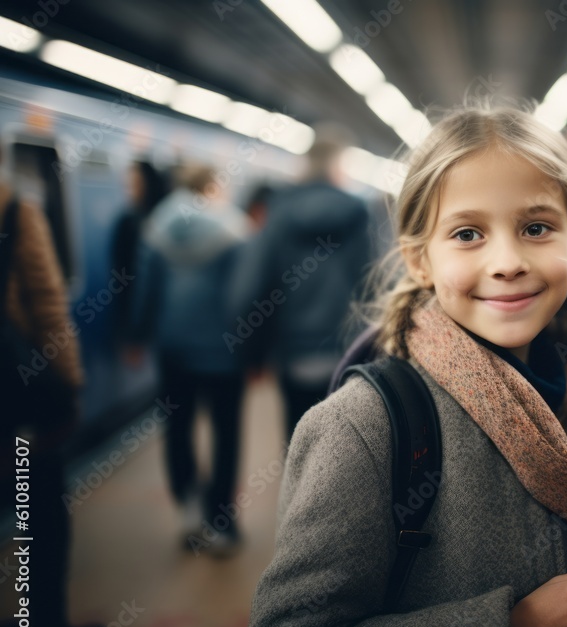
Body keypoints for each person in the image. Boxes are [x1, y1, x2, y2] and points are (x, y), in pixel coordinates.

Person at [243, 106, 567, 627]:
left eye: (536, 228)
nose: (507, 261)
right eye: (467, 233)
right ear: (419, 260)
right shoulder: (364, 427)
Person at [0, 173, 102, 627]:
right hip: (17, 406)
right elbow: (47, 305)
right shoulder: (14, 210)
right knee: (40, 518)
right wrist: (69, 388)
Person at [131, 164, 251, 557]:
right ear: (212, 186)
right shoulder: (232, 227)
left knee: (177, 426)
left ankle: (188, 506)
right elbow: (243, 293)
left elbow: (144, 288)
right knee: (225, 432)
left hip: (173, 346)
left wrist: (137, 334)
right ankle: (221, 521)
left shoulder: (157, 225)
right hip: (224, 349)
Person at [230, 125, 373, 443]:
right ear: (337, 165)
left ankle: (301, 490)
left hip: (292, 352)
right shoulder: (357, 213)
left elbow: (251, 286)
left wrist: (252, 354)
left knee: (298, 438)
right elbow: (371, 284)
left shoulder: (279, 212)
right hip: (344, 350)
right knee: (344, 441)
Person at [109, 160, 169, 341]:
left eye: (135, 183)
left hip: (157, 314)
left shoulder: (156, 219)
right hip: (143, 314)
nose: (130, 189)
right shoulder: (128, 221)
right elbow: (120, 273)